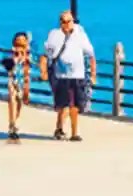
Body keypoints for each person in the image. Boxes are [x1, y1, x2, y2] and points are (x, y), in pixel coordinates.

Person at [39, 10, 95, 141]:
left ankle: (75, 133)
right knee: (62, 106)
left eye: (69, 21)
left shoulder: (80, 34)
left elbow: (91, 54)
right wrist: (44, 71)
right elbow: (45, 54)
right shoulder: (54, 35)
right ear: (60, 23)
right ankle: (59, 128)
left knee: (74, 105)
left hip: (77, 75)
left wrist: (93, 74)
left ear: (73, 21)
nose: (67, 24)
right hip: (60, 75)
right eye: (63, 21)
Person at [0, 32, 33, 142]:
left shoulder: (28, 54)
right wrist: (15, 57)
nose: (20, 43)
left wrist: (27, 88)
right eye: (18, 41)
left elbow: (28, 70)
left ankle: (14, 121)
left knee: (19, 103)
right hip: (12, 80)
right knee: (12, 100)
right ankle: (12, 125)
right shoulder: (11, 53)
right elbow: (7, 66)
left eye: (23, 41)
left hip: (22, 81)